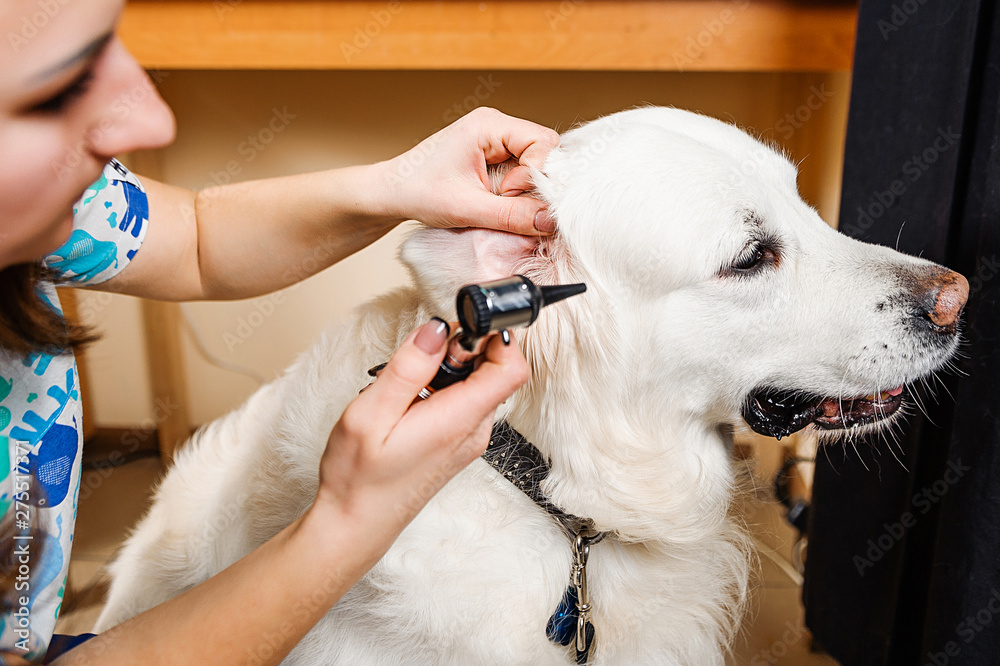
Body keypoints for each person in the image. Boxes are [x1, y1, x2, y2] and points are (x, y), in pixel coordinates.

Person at [0, 0, 559, 663]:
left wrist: (391, 186)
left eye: (108, 44)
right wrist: (347, 524)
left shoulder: (56, 204)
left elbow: (197, 241)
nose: (153, 117)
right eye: (56, 88)